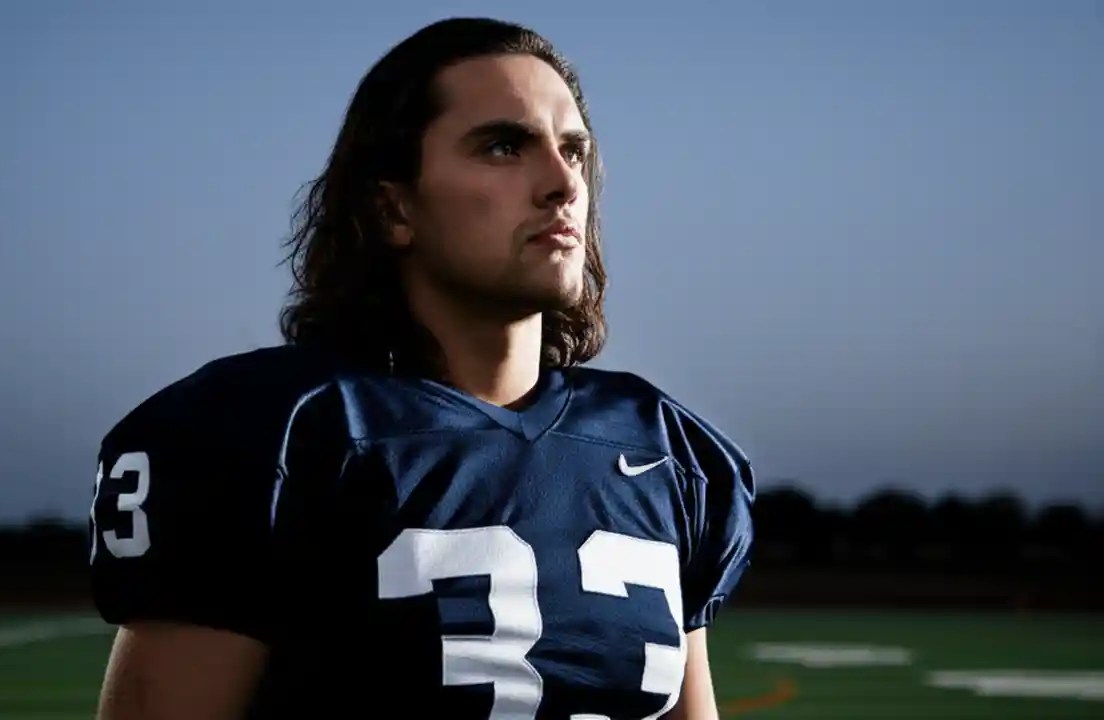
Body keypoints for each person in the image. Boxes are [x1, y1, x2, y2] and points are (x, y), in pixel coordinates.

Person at [89, 16, 754, 720]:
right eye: (504, 146)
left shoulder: (666, 453)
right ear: (392, 207)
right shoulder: (274, 431)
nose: (563, 184)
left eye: (574, 151)